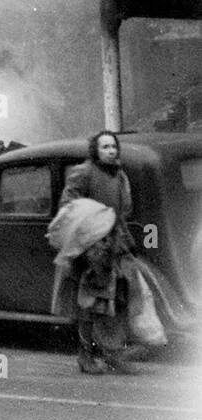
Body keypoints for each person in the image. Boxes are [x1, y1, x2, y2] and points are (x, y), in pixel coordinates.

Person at [53, 130, 137, 375]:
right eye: (105, 147)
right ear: (95, 151)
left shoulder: (120, 176)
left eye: (113, 147)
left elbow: (125, 210)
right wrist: (90, 235)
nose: (111, 151)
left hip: (116, 245)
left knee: (119, 300)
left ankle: (113, 353)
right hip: (91, 248)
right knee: (90, 305)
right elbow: (69, 206)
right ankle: (86, 356)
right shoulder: (83, 172)